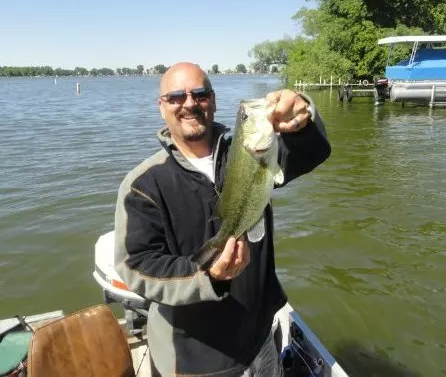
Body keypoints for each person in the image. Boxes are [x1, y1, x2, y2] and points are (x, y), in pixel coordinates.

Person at [114, 62, 331, 376]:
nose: (189, 103)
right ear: (162, 107)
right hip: (194, 360)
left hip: (261, 341)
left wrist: (302, 118)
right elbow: (137, 267)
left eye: (199, 93)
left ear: (213, 101)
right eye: (176, 97)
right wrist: (208, 277)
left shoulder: (250, 151)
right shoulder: (143, 185)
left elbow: (312, 152)